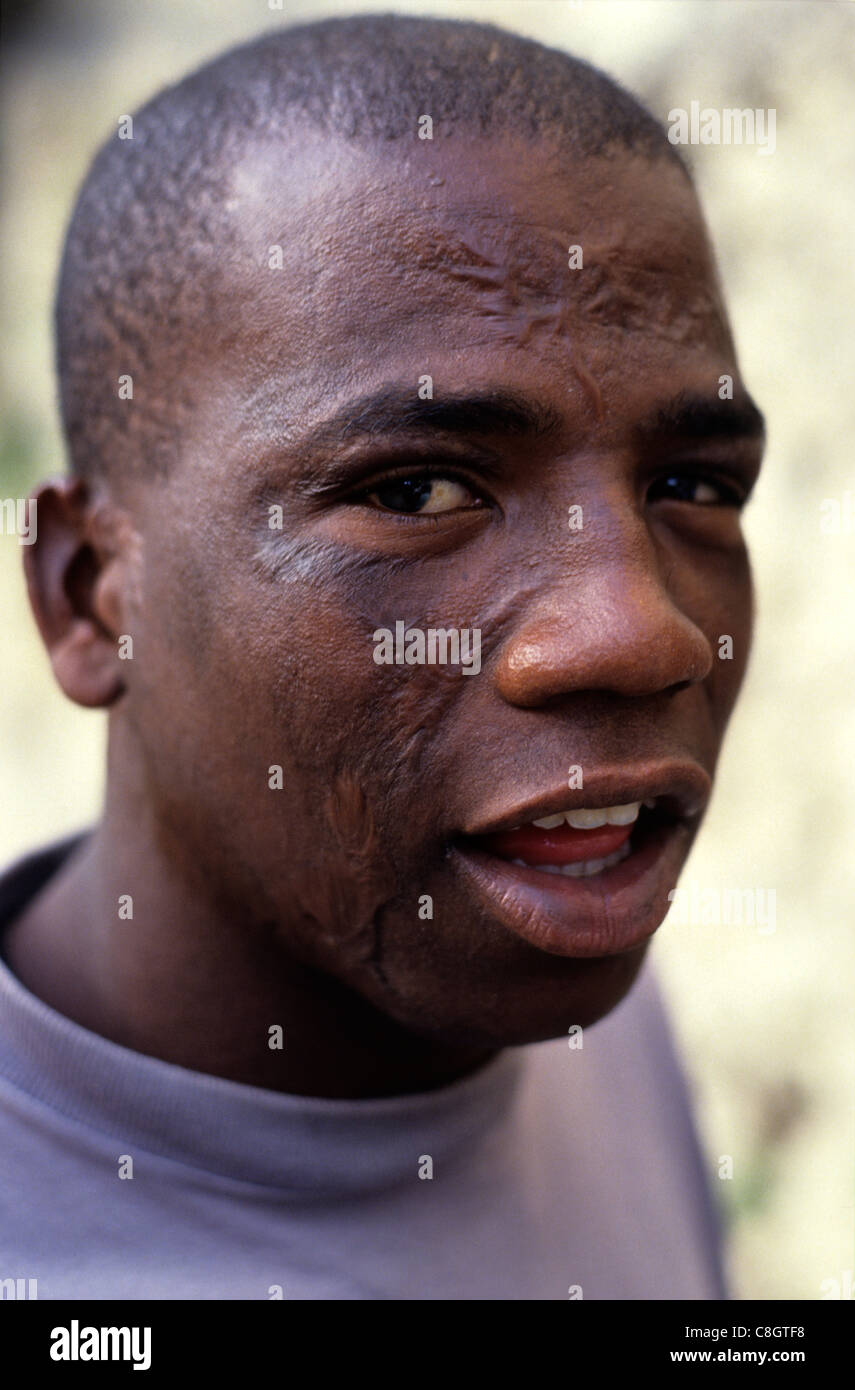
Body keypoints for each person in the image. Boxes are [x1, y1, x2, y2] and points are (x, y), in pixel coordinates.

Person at [0, 13, 765, 1300]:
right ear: (90, 595)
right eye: (416, 493)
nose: (643, 632)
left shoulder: (572, 968)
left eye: (690, 481)